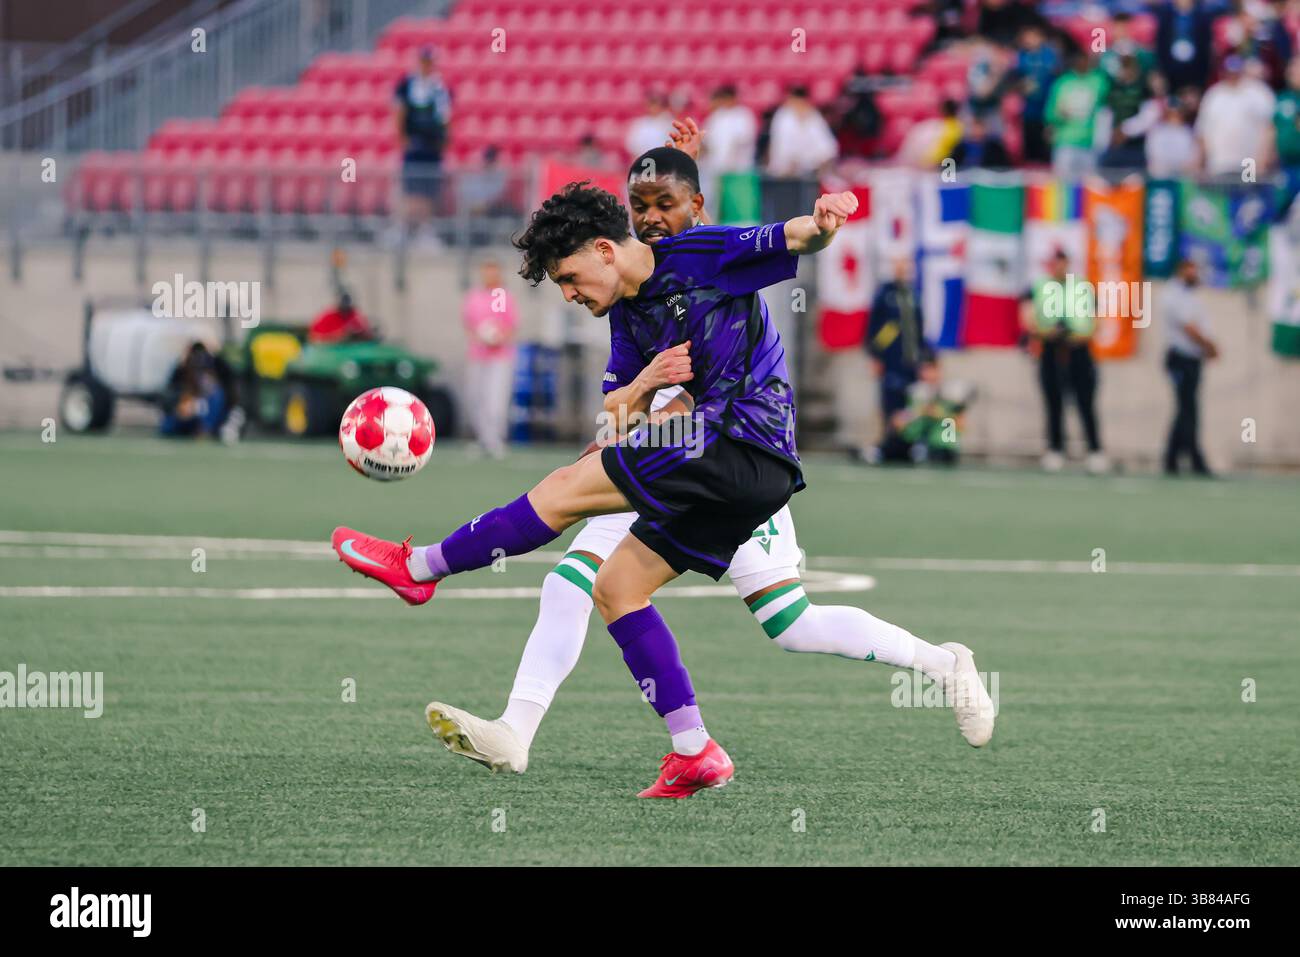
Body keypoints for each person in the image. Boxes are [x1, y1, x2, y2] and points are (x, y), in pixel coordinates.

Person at [331, 183, 994, 798]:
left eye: (567, 278)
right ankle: (698, 746)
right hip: (697, 462)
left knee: (563, 501)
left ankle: (420, 569)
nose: (567, 294)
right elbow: (615, 415)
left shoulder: (700, 254)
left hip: (734, 444)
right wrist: (646, 384)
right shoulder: (626, 318)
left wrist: (821, 226)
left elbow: (788, 237)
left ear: (604, 248)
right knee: (628, 590)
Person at [1021, 249, 1108, 474]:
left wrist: (1079, 335)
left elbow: (1096, 320)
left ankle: (1095, 450)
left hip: (1079, 349)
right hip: (1051, 349)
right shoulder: (1039, 286)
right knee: (1053, 401)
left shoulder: (1082, 287)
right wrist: (1046, 332)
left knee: (1085, 402)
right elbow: (1028, 318)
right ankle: (1055, 448)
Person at [1161, 258, 1219, 475]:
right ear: (1181, 271)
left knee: (1186, 409)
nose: (1195, 275)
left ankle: (1172, 458)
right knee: (1187, 410)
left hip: (1192, 359)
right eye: (1191, 270)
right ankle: (1194, 459)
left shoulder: (1191, 295)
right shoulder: (1172, 295)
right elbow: (1189, 328)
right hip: (1179, 358)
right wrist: (1210, 346)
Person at [866, 257, 929, 455]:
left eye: (906, 266)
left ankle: (908, 445)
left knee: (911, 405)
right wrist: (875, 356)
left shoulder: (913, 294)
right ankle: (888, 444)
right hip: (891, 360)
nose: (903, 270)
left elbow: (918, 329)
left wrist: (925, 359)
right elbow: (874, 326)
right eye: (899, 266)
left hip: (911, 362)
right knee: (890, 403)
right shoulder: (885, 293)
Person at [461, 258, 518, 459]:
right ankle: (483, 438)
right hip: (478, 356)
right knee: (477, 398)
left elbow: (509, 325)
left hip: (499, 357)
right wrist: (480, 337)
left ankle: (495, 439)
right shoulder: (474, 296)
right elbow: (468, 325)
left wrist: (498, 337)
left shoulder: (502, 296)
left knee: (496, 399)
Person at [394, 47, 452, 230]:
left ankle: (425, 228)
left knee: (429, 190)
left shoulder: (439, 87)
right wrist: (402, 137)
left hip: (432, 147)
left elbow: (446, 116)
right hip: (414, 146)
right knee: (410, 188)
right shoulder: (408, 84)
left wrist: (443, 139)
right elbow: (400, 112)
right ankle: (405, 227)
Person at [1196, 55, 1276, 176]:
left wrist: (1263, 157)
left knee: (1249, 193)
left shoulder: (1258, 92)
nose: (1233, 75)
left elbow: (1269, 128)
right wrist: (1201, 161)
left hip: (1250, 162)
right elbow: (1202, 131)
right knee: (1221, 193)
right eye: (1230, 72)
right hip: (1219, 162)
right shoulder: (1214, 95)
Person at [1045, 51, 1109, 180]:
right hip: (1065, 142)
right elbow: (1050, 113)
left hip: (1090, 143)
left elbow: (1106, 107)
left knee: (1088, 185)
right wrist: (1058, 116)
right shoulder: (1063, 82)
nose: (1082, 63)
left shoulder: (1099, 81)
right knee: (1063, 185)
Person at [160, 341, 232, 439]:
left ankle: (205, 430)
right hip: (184, 416)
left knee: (216, 396)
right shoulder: (180, 372)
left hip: (204, 417)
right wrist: (180, 407)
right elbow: (168, 396)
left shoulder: (214, 384)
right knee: (167, 427)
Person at [766, 85, 839, 176]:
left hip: (811, 171)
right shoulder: (783, 116)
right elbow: (779, 144)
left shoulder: (814, 116)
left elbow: (827, 147)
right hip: (784, 171)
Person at [1015, 24, 1063, 164]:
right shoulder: (1021, 56)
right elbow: (1014, 81)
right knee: (1030, 150)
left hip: (1047, 110)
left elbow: (1056, 78)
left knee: (1046, 150)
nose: (1029, 40)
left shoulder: (1050, 55)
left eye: (1032, 36)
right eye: (1026, 37)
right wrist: (1022, 86)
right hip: (1029, 111)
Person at [1155, 0, 1215, 93]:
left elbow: (1206, 47)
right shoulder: (1166, 16)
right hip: (1172, 71)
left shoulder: (1202, 17)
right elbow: (1161, 44)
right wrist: (1162, 70)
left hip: (1195, 70)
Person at [624, 90, 674, 159]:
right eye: (651, 104)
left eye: (655, 104)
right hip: (643, 162)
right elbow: (633, 147)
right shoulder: (639, 124)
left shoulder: (670, 124)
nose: (653, 107)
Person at [308, 292, 374, 343]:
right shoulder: (328, 317)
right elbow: (314, 338)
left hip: (352, 350)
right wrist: (338, 336)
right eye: (343, 309)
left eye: (347, 309)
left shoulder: (354, 315)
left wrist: (359, 335)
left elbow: (366, 333)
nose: (345, 313)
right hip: (330, 352)